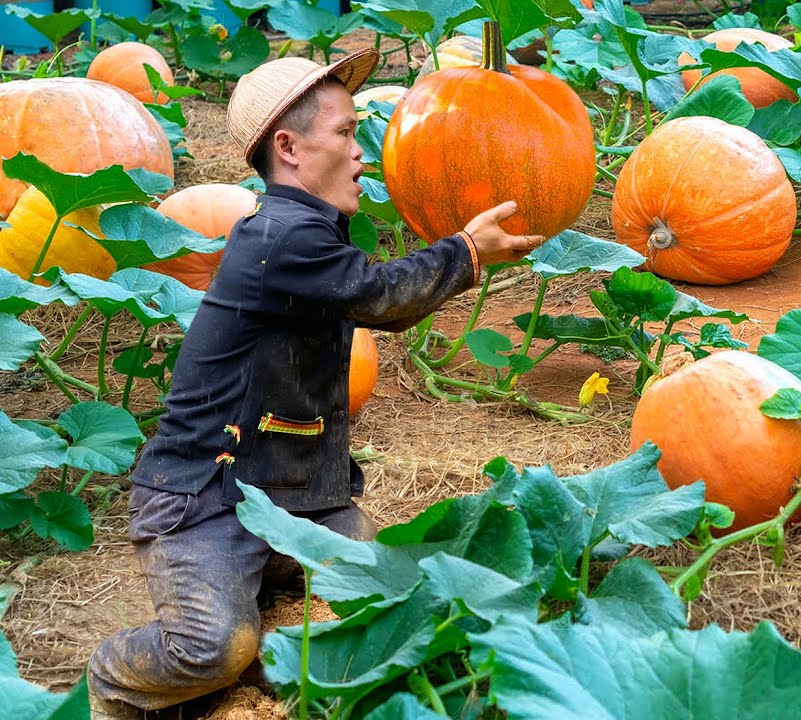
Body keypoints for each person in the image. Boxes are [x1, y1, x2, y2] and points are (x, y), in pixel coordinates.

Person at [86, 48, 546, 718]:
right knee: (217, 649)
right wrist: (466, 251)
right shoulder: (280, 236)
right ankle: (113, 678)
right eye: (345, 132)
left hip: (296, 495)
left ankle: (266, 586)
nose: (361, 152)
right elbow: (382, 296)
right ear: (289, 147)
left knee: (379, 603)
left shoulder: (311, 234)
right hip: (205, 498)